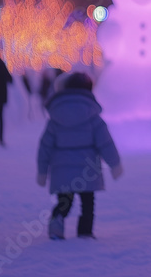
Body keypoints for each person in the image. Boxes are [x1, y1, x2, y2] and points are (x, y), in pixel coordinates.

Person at [37, 72, 122, 240]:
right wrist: (115, 164)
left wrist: (42, 171)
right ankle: (85, 232)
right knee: (87, 203)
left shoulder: (55, 116)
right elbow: (105, 142)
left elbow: (45, 146)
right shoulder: (93, 116)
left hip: (62, 169)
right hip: (87, 170)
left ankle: (56, 225)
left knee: (64, 202)